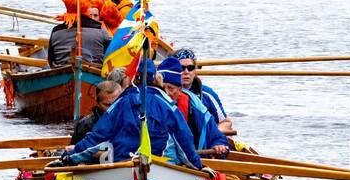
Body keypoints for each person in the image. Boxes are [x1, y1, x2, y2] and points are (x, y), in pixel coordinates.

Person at [57, 61, 212, 173]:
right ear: (156, 79)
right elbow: (184, 140)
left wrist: (69, 157)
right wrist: (198, 166)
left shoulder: (120, 103)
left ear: (134, 78)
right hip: (159, 169)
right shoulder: (169, 106)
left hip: (123, 168)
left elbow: (97, 137)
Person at [156, 57, 229, 156]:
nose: (166, 93)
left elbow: (217, 135)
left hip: (191, 159)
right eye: (162, 88)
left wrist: (218, 144)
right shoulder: (147, 101)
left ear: (180, 89)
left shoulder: (196, 106)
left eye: (170, 88)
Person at [172, 48, 234, 137]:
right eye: (182, 68)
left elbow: (226, 122)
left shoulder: (207, 93)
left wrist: (214, 135)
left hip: (203, 143)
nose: (186, 72)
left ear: (195, 71)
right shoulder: (166, 93)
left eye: (190, 68)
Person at [47, 0, 111, 68]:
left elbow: (51, 60)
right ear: (87, 9)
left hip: (61, 73)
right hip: (93, 73)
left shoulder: (55, 31)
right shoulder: (101, 30)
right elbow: (112, 52)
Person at [72, 79, 123, 145]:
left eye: (116, 104)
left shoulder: (132, 121)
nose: (112, 109)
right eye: (107, 105)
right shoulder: (84, 126)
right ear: (97, 102)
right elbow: (74, 152)